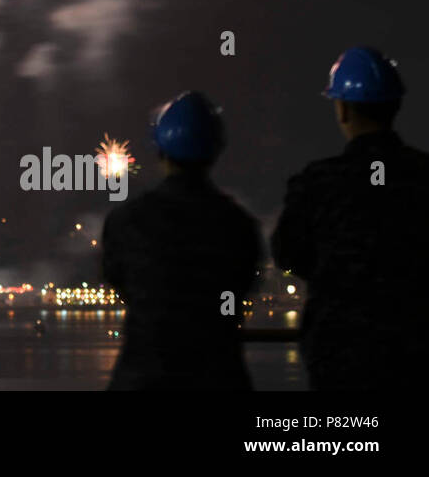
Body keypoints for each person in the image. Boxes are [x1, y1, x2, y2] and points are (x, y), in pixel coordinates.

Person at [272, 46, 429, 390]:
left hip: (340, 355)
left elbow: (288, 254)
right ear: (396, 106)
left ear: (342, 109)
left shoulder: (316, 183)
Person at [102, 91, 262, 390]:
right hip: (219, 377)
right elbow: (244, 283)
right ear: (216, 149)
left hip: (142, 378)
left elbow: (121, 283)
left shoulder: (126, 220)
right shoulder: (239, 224)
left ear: (159, 150)